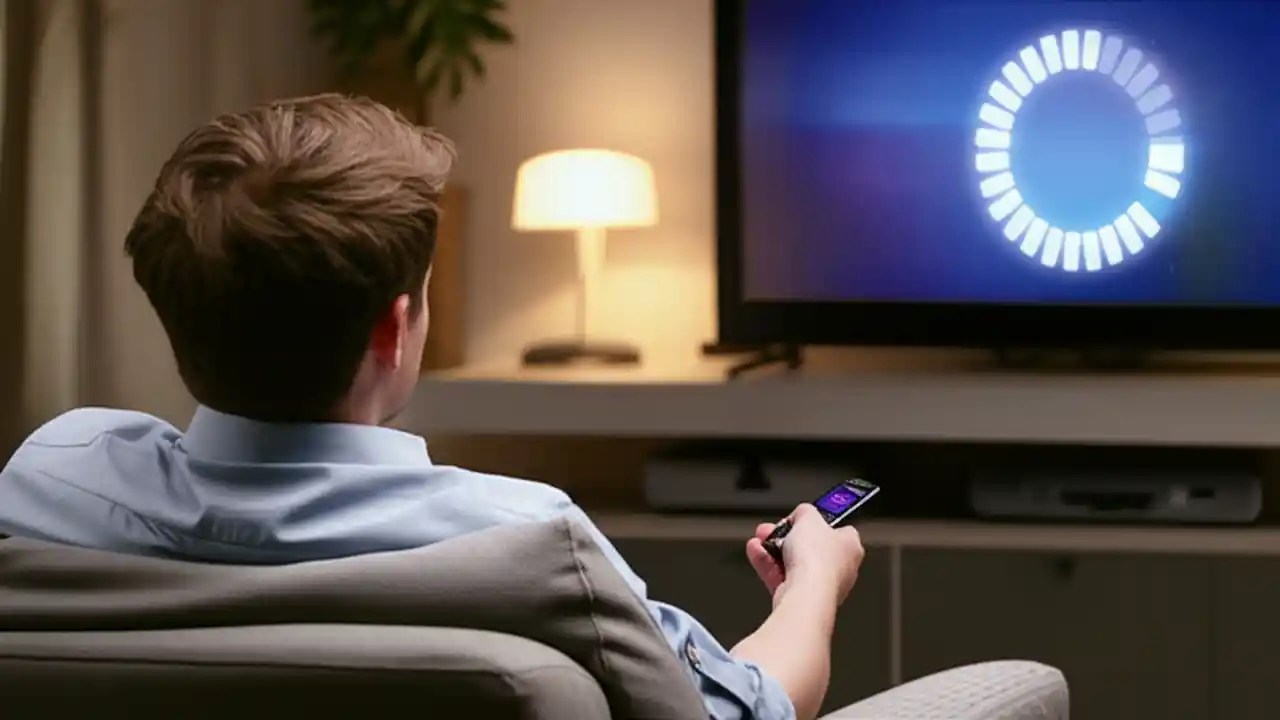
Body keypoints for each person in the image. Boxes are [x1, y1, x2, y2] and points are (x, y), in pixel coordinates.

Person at [0, 94, 864, 720]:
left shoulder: (50, 481)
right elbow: (745, 713)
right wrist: (812, 589)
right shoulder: (527, 545)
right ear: (395, 325)